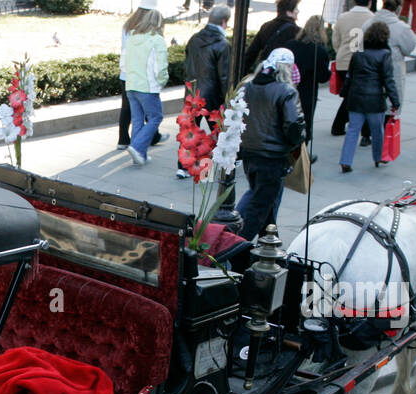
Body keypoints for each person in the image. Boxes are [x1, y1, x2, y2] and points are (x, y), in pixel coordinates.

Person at [236, 49, 306, 241]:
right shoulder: (286, 91)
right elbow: (293, 124)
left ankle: (270, 239)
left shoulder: (249, 87)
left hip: (250, 154)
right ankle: (236, 245)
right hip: (272, 157)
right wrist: (297, 141)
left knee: (265, 199)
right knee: (259, 204)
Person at [177, 3, 231, 178]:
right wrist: (228, 98)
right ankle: (213, 166)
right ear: (224, 21)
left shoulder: (195, 38)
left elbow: (187, 64)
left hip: (193, 92)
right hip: (212, 94)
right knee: (213, 131)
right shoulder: (223, 44)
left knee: (189, 130)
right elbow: (224, 76)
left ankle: (183, 166)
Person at [339, 20, 400, 171]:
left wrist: (344, 92)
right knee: (377, 130)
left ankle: (346, 160)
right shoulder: (385, 54)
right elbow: (388, 80)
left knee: (353, 130)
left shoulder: (358, 53)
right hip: (374, 98)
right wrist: (395, 100)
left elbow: (350, 75)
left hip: (356, 96)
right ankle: (378, 157)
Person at [118, 0, 166, 152]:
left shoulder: (128, 28)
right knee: (153, 115)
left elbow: (124, 54)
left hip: (128, 75)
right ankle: (139, 145)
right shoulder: (153, 37)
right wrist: (162, 81)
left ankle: (126, 141)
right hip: (143, 77)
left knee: (130, 111)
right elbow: (158, 64)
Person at [286, 15, 330, 161]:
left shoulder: (291, 45)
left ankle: (290, 153)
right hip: (307, 94)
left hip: (288, 90)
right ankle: (301, 157)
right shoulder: (319, 51)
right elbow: (323, 77)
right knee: (305, 124)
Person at [330, 0, 374, 136]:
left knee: (350, 94)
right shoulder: (372, 18)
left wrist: (340, 52)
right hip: (363, 62)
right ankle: (339, 124)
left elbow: (335, 41)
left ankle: (342, 124)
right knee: (353, 96)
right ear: (370, 3)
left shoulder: (343, 17)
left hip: (344, 60)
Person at [373, 0, 416, 105]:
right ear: (398, 9)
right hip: (393, 71)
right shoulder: (402, 28)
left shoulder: (368, 23)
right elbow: (409, 48)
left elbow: (358, 47)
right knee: (389, 109)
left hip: (370, 73)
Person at [245, 0, 301, 70]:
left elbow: (251, 53)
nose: (298, 11)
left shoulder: (266, 26)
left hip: (266, 71)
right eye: (296, 8)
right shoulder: (297, 31)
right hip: (285, 73)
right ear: (288, 12)